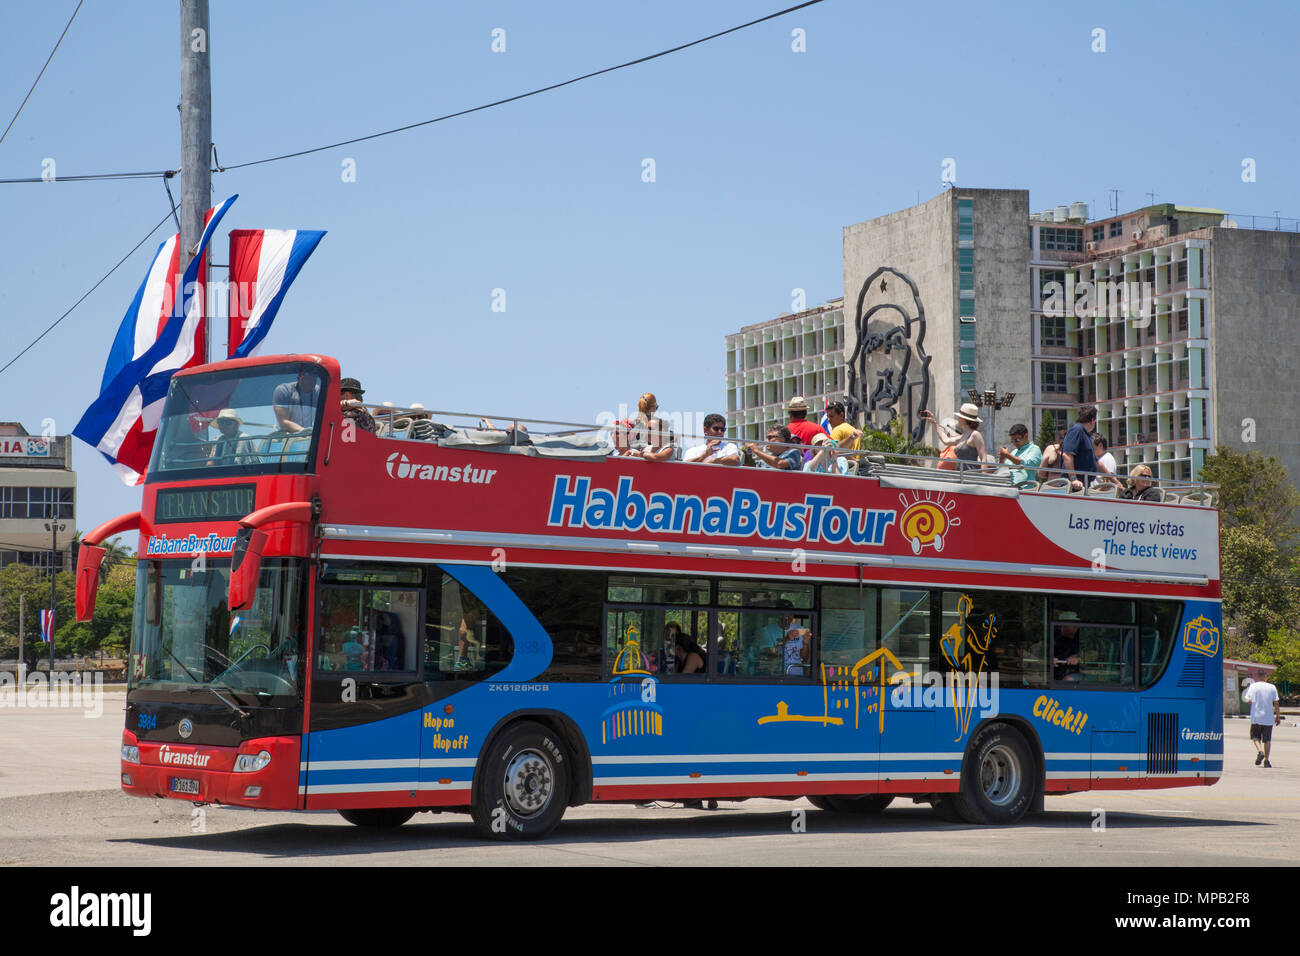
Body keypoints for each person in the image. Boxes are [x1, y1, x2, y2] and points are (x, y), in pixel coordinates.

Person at [920, 403, 987, 470]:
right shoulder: (963, 436)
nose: (958, 419)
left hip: (970, 476)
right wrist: (933, 422)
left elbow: (983, 458)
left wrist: (982, 477)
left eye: (959, 417)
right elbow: (946, 440)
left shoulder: (975, 434)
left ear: (963, 419)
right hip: (961, 476)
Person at [1242, 675, 1281, 767]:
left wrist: (1253, 702)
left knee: (1255, 737)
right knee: (1267, 740)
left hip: (1256, 717)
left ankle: (1260, 751)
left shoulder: (1253, 686)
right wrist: (1278, 716)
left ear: (1258, 677)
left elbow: (1247, 700)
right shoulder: (1272, 687)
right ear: (1266, 677)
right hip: (1268, 718)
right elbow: (1276, 702)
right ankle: (1267, 760)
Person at [1060, 405, 1099, 491]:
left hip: (1082, 485)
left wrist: (1114, 480)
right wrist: (1073, 479)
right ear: (1092, 420)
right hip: (1074, 486)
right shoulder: (1077, 430)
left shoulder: (1085, 435)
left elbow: (1096, 463)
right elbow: (1067, 455)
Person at [273, 367, 320, 434]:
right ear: (299, 377)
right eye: (308, 378)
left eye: (314, 379)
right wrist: (306, 432)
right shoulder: (283, 390)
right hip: (283, 439)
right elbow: (283, 422)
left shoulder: (318, 392)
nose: (311, 382)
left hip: (306, 439)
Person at [1053, 611, 1082, 682]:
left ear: (1076, 626)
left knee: (1069, 680)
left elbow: (1092, 654)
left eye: (1065, 625)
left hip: (1079, 673)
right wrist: (1051, 659)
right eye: (1061, 625)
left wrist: (1079, 657)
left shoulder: (1084, 638)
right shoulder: (1057, 638)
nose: (1062, 627)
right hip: (1057, 674)